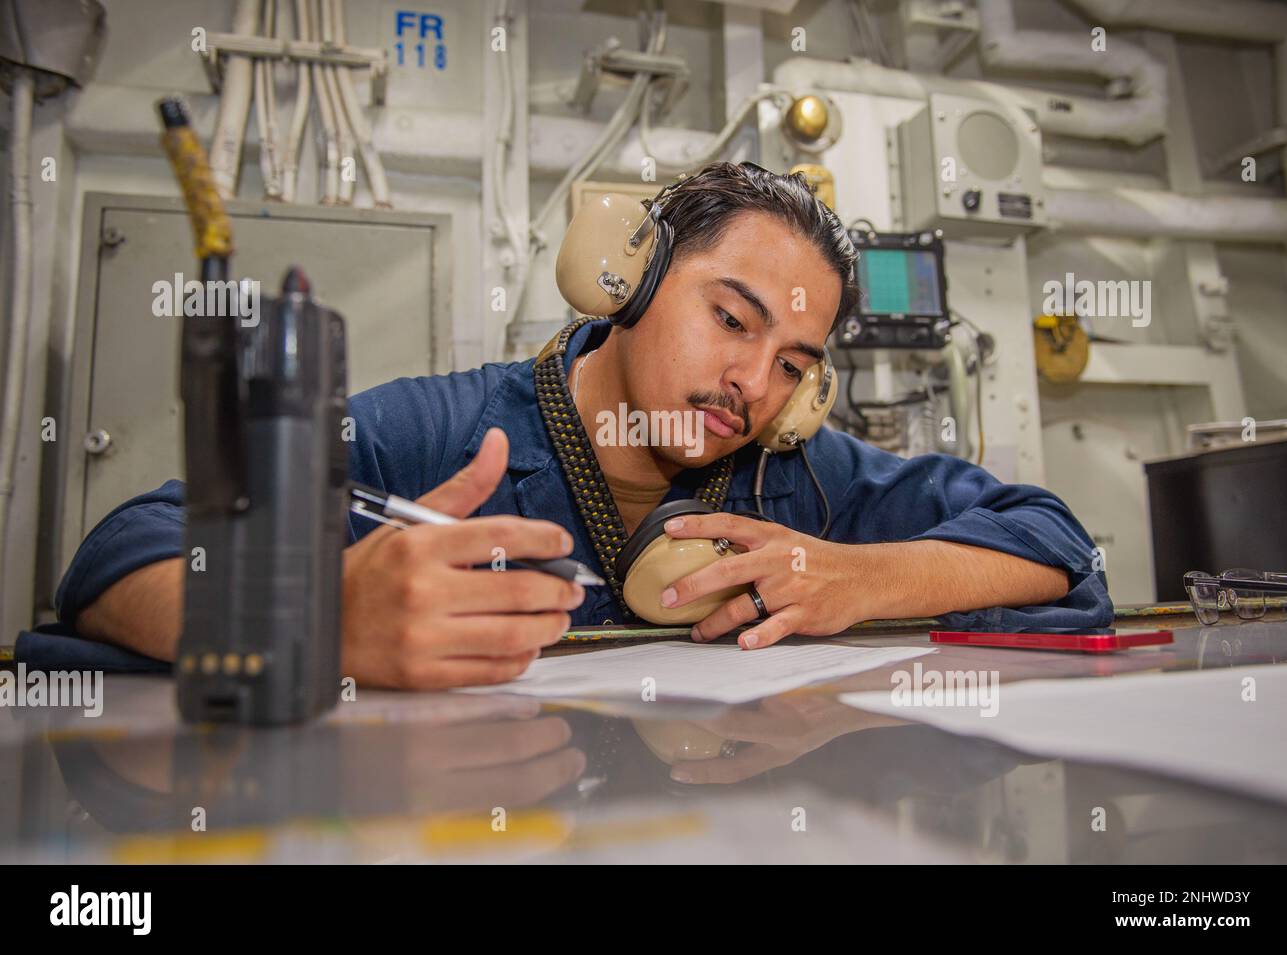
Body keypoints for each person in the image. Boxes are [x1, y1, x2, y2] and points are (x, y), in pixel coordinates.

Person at [57, 161, 1112, 689]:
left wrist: (859, 576)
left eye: (791, 362)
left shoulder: (801, 478)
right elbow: (122, 556)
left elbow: (1053, 543)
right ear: (630, 279)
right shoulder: (437, 433)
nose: (752, 381)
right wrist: (319, 615)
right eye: (730, 319)